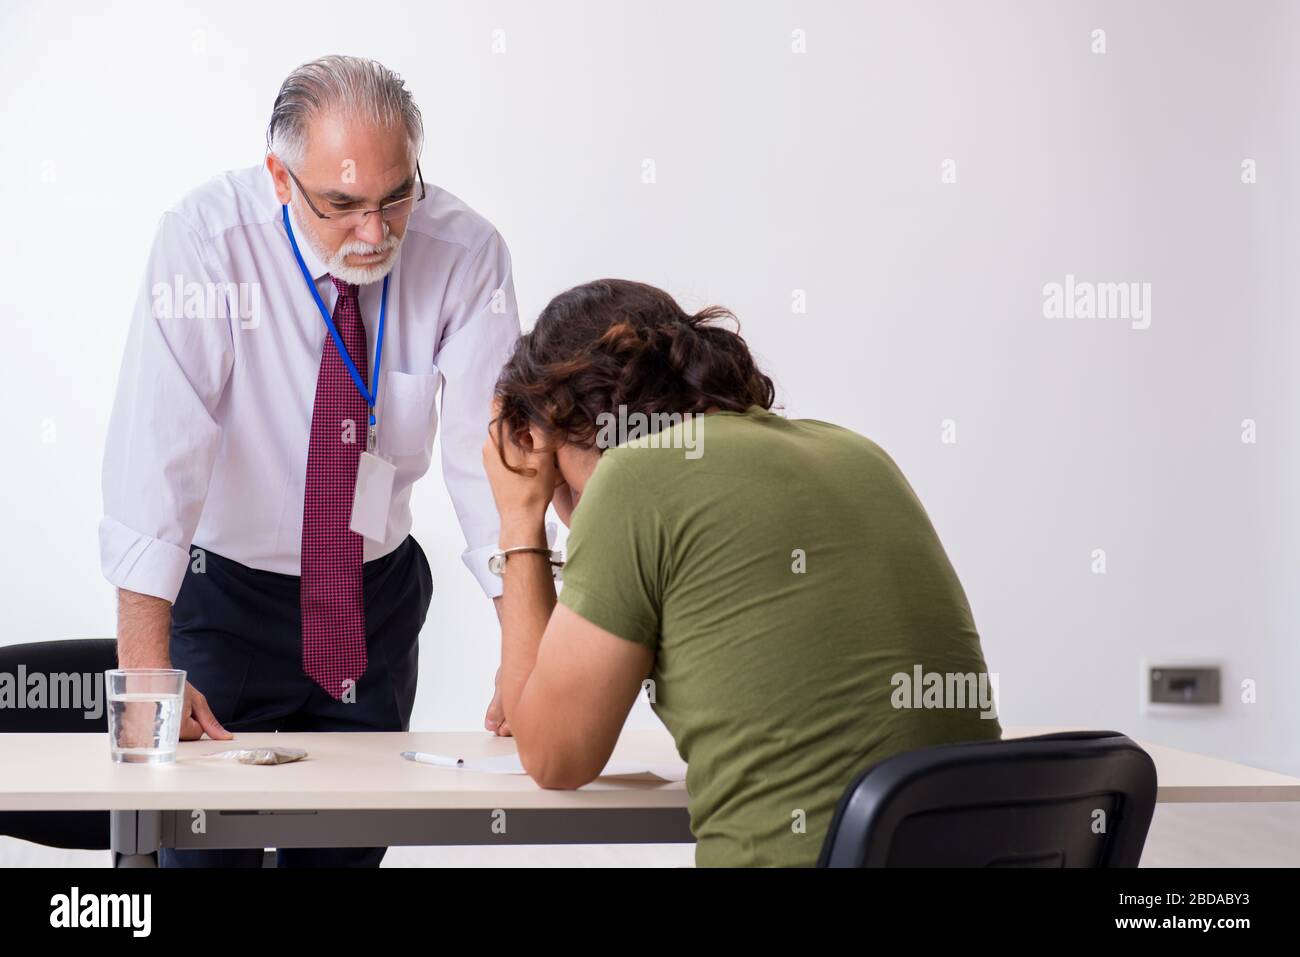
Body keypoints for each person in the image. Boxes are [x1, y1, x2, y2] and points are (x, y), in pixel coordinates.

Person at [100, 55, 521, 867]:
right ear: (280, 177)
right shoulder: (207, 241)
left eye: (397, 196)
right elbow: (156, 460)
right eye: (343, 204)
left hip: (372, 600)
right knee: (200, 851)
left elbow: (493, 465)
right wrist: (147, 677)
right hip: (225, 598)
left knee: (342, 855)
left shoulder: (465, 253)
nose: (376, 232)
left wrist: (525, 643)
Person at [481, 278, 1002, 867]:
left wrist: (520, 522)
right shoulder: (860, 454)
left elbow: (553, 757)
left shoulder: (636, 481)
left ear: (551, 423)